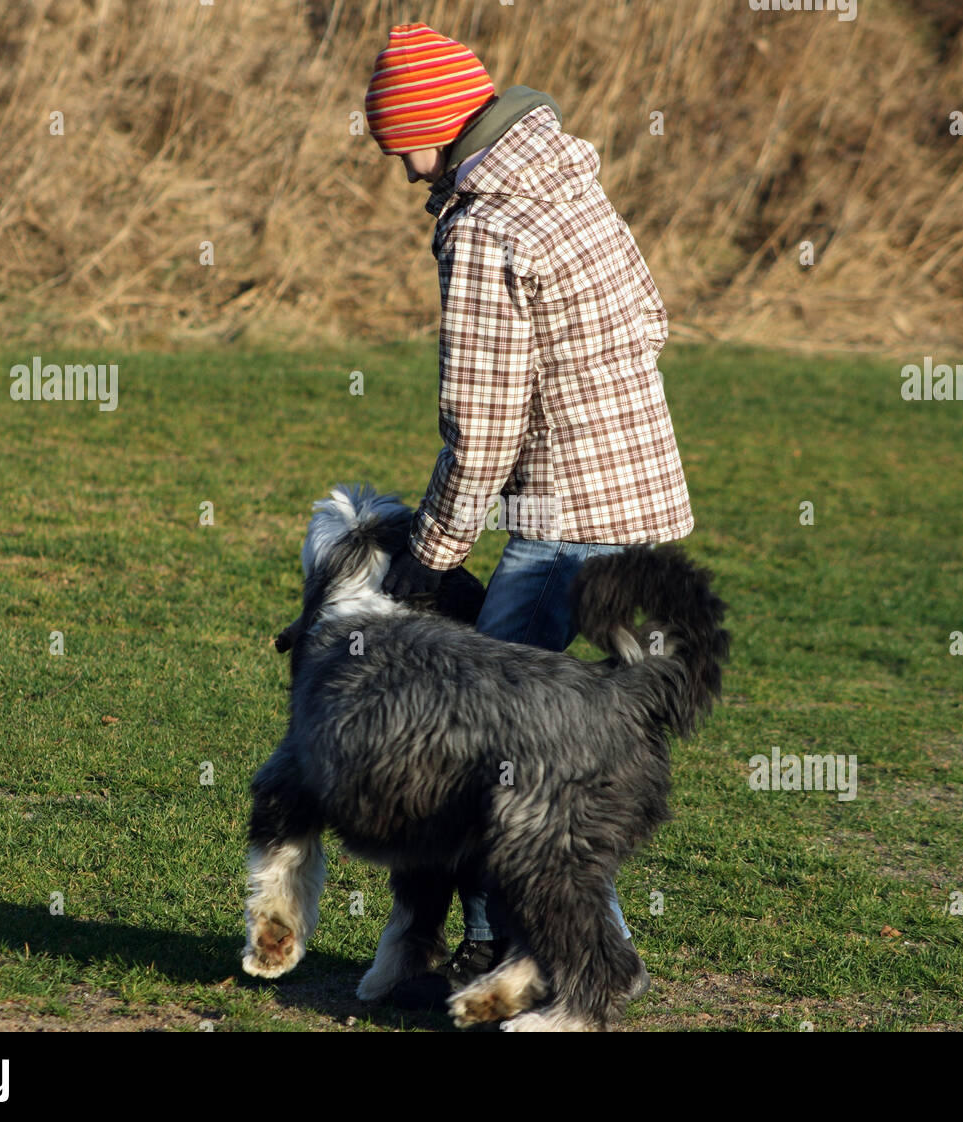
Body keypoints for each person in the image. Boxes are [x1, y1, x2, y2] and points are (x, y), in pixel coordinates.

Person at [365, 23, 694, 997]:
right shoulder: (566, 181)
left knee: (495, 752)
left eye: (407, 145)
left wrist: (431, 553)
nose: (404, 166)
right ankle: (513, 949)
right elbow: (651, 319)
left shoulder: (484, 224)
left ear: (438, 124)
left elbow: (483, 420)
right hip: (640, 502)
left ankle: (586, 964)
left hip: (561, 524)